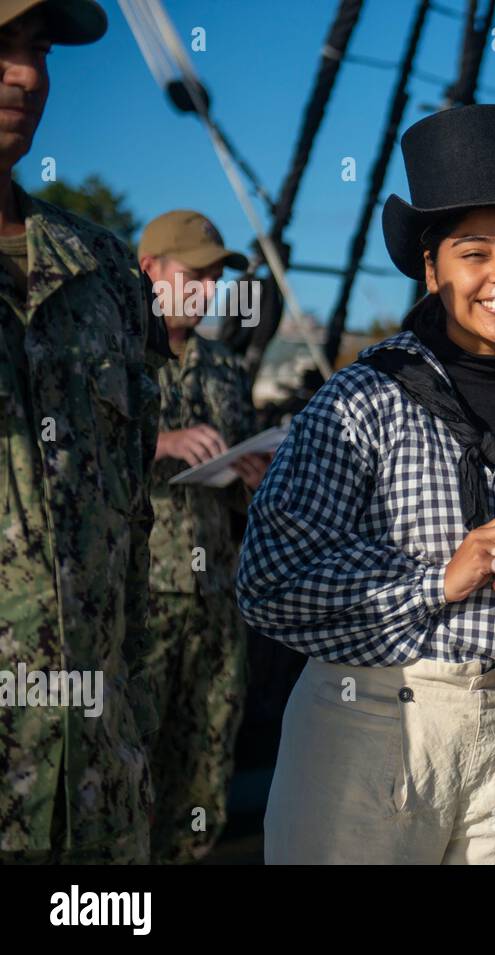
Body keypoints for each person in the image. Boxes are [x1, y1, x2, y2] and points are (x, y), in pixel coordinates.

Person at [236, 104, 495, 864]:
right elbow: (267, 581)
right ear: (432, 268)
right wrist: (438, 578)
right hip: (371, 719)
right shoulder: (361, 400)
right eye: (475, 253)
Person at [0, 0, 172, 863]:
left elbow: (131, 522)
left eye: (34, 51)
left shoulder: (100, 269)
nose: (26, 75)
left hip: (97, 789)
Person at [136, 210, 264, 863]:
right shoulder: (108, 351)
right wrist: (161, 441)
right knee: (130, 761)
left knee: (208, 760)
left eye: (217, 279)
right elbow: (66, 455)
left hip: (216, 592)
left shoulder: (222, 366)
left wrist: (253, 475)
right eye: (195, 275)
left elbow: (244, 491)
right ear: (149, 268)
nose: (208, 291)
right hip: (136, 598)